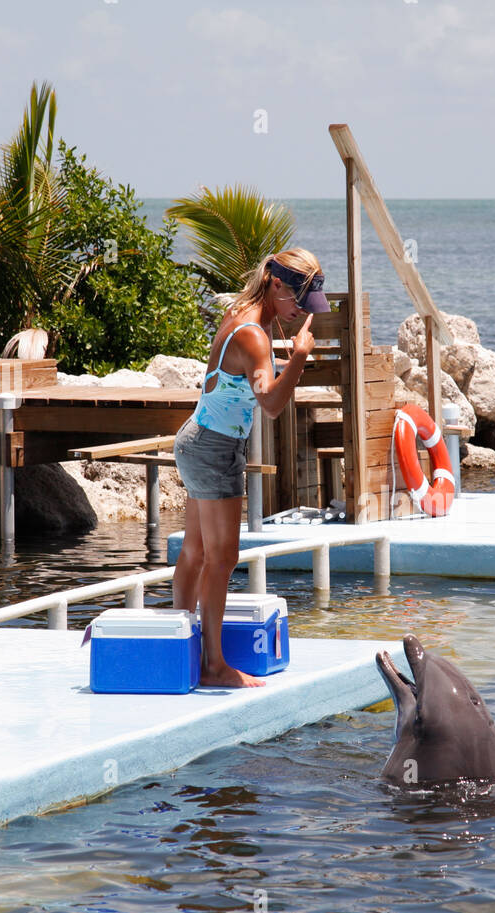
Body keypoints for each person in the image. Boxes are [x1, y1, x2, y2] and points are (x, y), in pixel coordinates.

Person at [172, 249, 328, 687]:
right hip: (215, 449)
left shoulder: (245, 313)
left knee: (197, 552)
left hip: (199, 440)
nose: (301, 311)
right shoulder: (254, 336)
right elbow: (273, 405)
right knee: (222, 557)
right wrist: (297, 358)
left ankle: (180, 644)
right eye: (298, 300)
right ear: (276, 284)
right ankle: (213, 667)